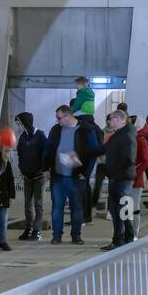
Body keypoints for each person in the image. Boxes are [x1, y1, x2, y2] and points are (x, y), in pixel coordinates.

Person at [44, 105, 86, 245]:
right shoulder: (56, 130)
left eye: (59, 118)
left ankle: (76, 235)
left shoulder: (84, 130)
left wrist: (85, 172)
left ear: (68, 116)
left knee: (76, 207)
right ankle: (56, 236)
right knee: (57, 207)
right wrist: (46, 168)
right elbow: (48, 148)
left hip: (76, 177)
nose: (58, 121)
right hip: (58, 177)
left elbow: (91, 152)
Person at [97, 109, 138, 250]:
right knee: (119, 210)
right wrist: (83, 152)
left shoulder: (127, 136)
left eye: (112, 118)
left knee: (120, 210)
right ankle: (125, 237)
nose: (109, 121)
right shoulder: (117, 136)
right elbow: (103, 149)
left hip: (122, 178)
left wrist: (114, 171)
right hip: (117, 177)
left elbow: (128, 159)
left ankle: (121, 239)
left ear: (121, 119)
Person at [14, 112, 46, 242]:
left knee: (38, 203)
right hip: (27, 176)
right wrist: (22, 168)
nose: (18, 127)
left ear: (25, 123)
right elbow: (20, 154)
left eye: (19, 124)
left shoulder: (40, 135)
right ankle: (28, 228)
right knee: (27, 205)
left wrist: (45, 169)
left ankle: (37, 230)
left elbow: (45, 153)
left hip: (39, 175)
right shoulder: (22, 137)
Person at [75, 101, 103, 221]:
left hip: (85, 165)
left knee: (84, 190)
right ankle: (86, 215)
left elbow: (93, 151)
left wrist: (86, 172)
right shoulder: (94, 126)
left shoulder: (87, 128)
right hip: (86, 165)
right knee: (86, 189)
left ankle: (86, 216)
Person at [132, 115, 148, 237]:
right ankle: (129, 232)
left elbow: (146, 161)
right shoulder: (135, 138)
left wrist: (135, 172)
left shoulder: (140, 139)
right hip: (131, 177)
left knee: (134, 208)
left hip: (135, 179)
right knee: (128, 207)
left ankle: (134, 233)